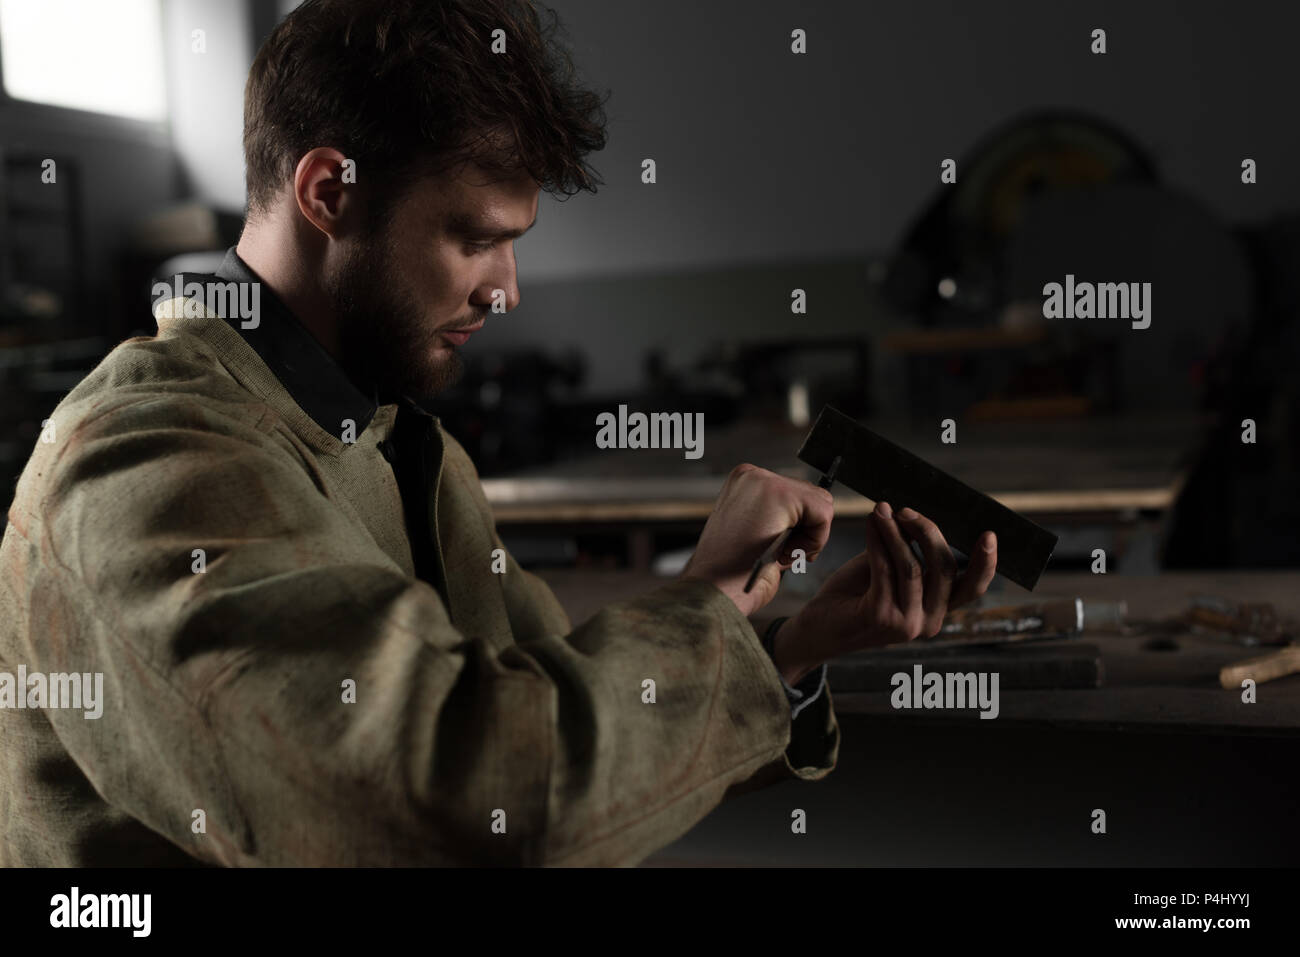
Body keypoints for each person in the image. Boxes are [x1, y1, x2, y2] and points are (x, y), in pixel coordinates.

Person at [0, 0, 996, 866]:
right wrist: (700, 609)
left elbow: (555, 721)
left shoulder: (396, 442)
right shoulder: (145, 458)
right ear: (328, 193)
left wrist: (782, 643)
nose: (506, 290)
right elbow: (465, 802)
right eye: (476, 237)